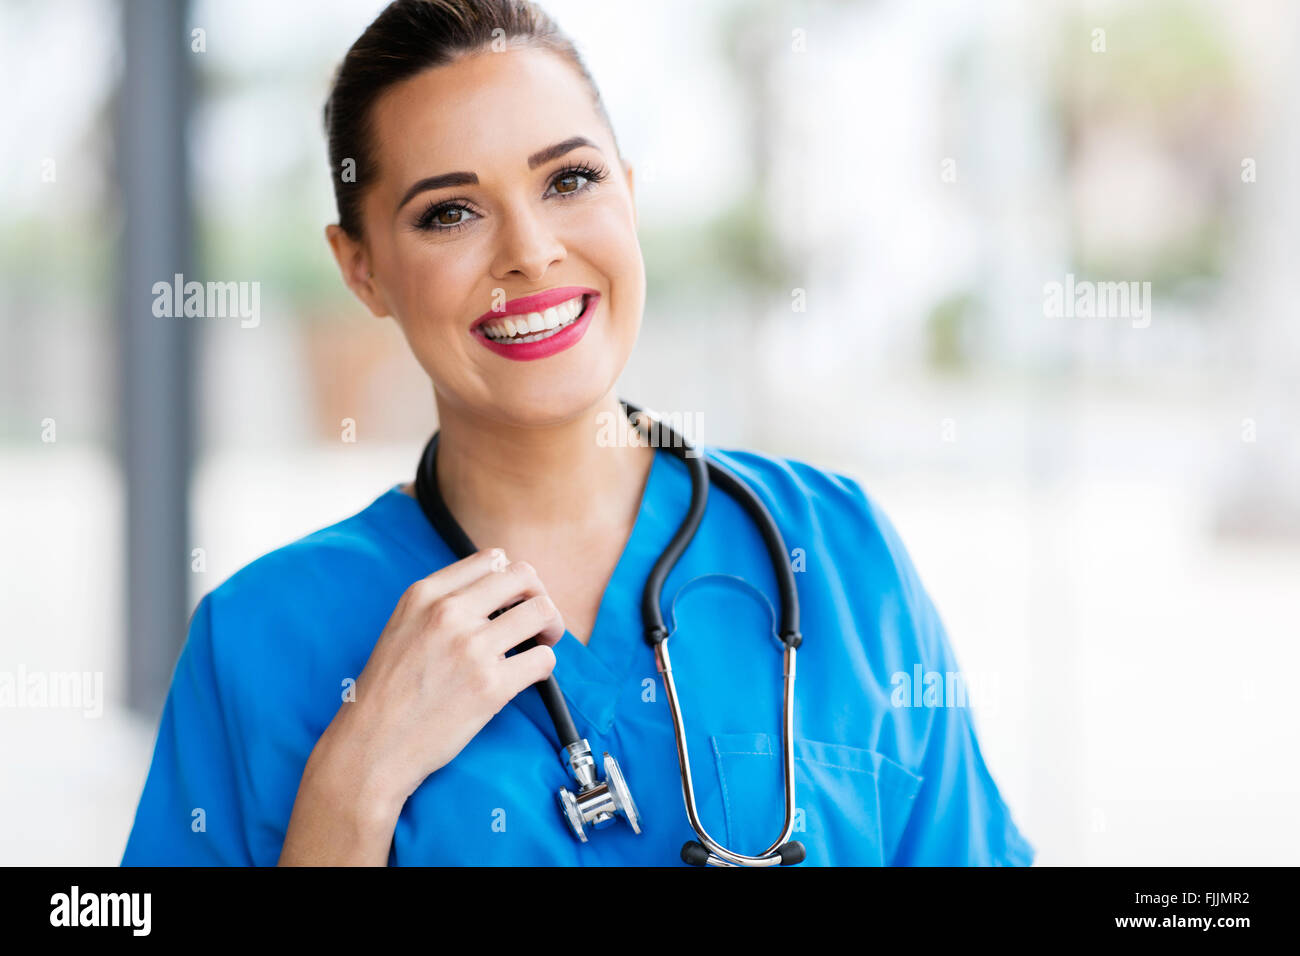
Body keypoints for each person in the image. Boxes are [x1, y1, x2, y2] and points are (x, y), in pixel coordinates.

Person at [121, 0, 1035, 867]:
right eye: (451, 211)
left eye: (570, 179)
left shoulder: (836, 553)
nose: (530, 249)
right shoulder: (259, 642)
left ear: (628, 197)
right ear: (361, 269)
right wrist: (352, 789)